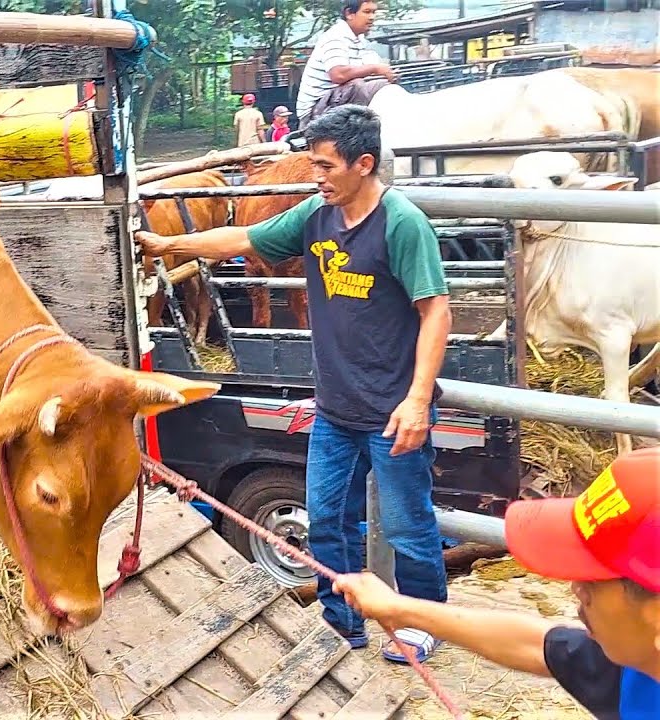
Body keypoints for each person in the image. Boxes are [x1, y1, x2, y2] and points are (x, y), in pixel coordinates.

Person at [136, 104, 452, 663]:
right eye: (313, 163)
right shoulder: (315, 214)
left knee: (407, 525)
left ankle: (422, 621)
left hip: (392, 410)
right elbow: (244, 239)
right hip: (335, 408)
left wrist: (419, 400)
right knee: (326, 519)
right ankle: (342, 621)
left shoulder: (402, 224)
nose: (316, 176)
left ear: (364, 164)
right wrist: (170, 247)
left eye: (326, 166)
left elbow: (436, 313)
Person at [334, 446, 660, 719]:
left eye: (594, 580)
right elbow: (538, 646)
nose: (576, 587)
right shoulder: (639, 664)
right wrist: (399, 609)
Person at [295, 0, 398, 128]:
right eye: (366, 12)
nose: (372, 17)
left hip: (336, 100)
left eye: (373, 12)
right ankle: (355, 133)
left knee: (384, 85)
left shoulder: (359, 39)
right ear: (349, 13)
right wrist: (375, 68)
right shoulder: (336, 36)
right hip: (315, 112)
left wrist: (386, 73)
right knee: (356, 86)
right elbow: (338, 75)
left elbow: (368, 70)